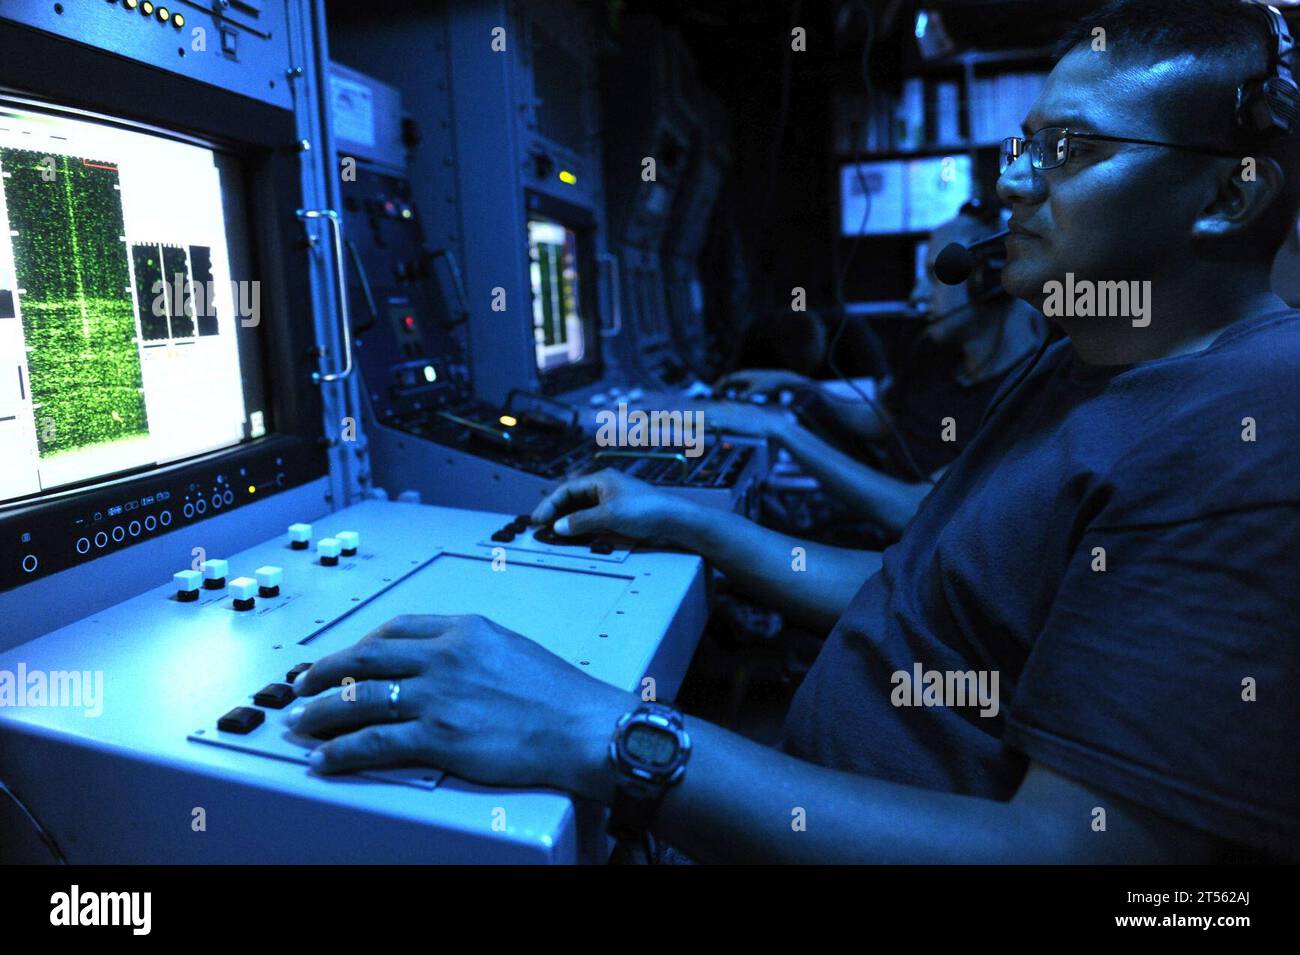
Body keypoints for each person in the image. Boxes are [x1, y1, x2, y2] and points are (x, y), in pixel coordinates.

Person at [285, 0, 1299, 862]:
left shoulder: (1244, 437)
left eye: (1072, 149)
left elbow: (1067, 854)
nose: (1013, 182)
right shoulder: (1084, 360)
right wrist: (692, 522)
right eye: (1026, 142)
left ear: (1227, 191)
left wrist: (602, 731)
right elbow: (931, 584)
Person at [701, 207, 1046, 539]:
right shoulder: (935, 349)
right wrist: (802, 386)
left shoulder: (1029, 396)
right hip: (868, 519)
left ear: (988, 282)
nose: (917, 295)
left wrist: (780, 429)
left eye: (934, 277)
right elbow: (882, 419)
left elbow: (913, 510)